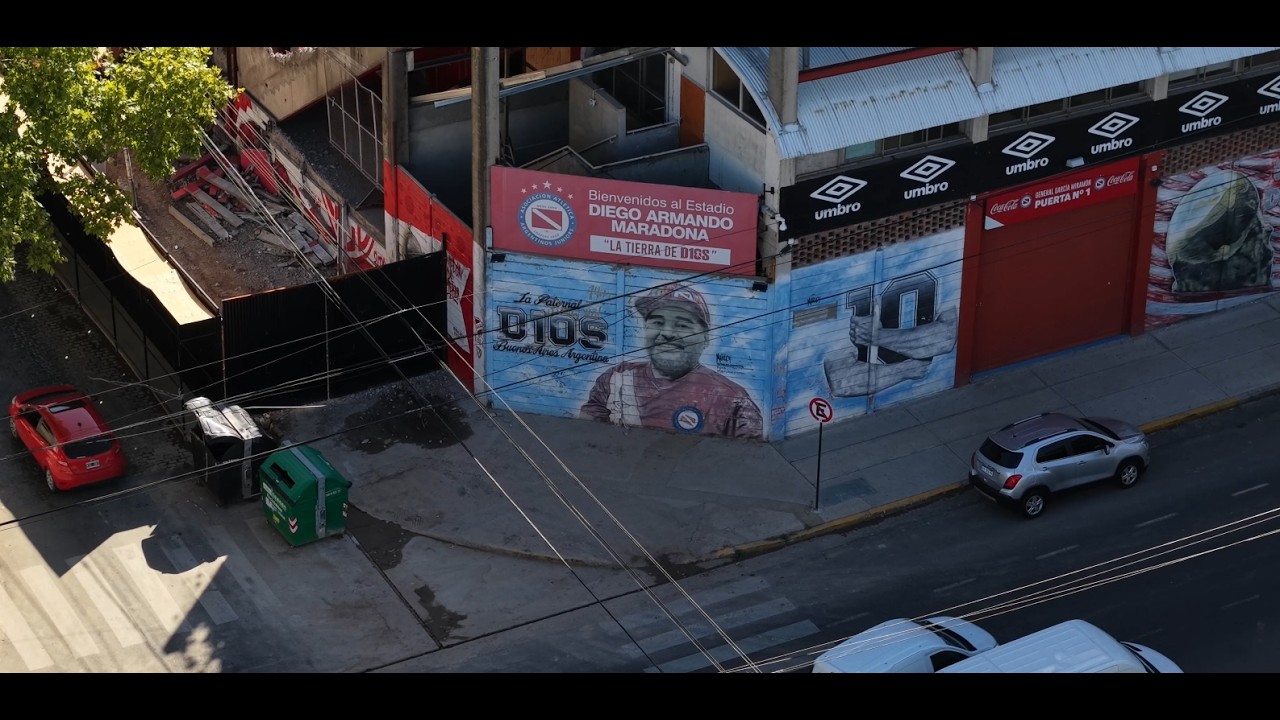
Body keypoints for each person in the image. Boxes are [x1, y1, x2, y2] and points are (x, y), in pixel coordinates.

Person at [579, 284, 764, 439]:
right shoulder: (616, 378)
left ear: (705, 339)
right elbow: (588, 436)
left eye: (682, 325)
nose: (667, 333)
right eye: (657, 323)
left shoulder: (733, 400)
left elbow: (746, 461)